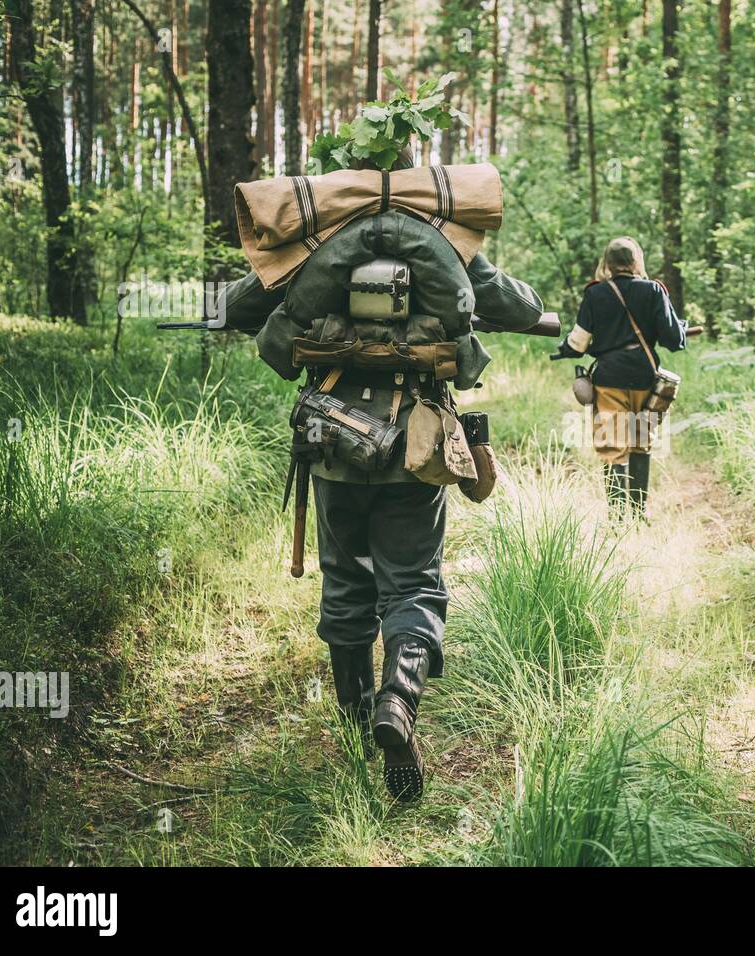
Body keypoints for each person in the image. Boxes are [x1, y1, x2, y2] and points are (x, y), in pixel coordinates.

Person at [223, 143, 542, 802]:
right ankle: (398, 703)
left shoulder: (314, 244)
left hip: (330, 439)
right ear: (417, 183)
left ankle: (352, 720)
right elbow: (518, 305)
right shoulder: (439, 241)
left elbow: (235, 310)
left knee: (346, 585)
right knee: (414, 586)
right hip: (415, 446)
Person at [554, 237, 687, 516]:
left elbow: (578, 344)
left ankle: (617, 519)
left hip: (609, 379)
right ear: (636, 262)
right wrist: (680, 329)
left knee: (613, 448)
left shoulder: (595, 294)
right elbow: (674, 340)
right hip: (644, 378)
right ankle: (639, 515)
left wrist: (564, 349)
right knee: (640, 442)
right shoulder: (654, 290)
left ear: (608, 265)